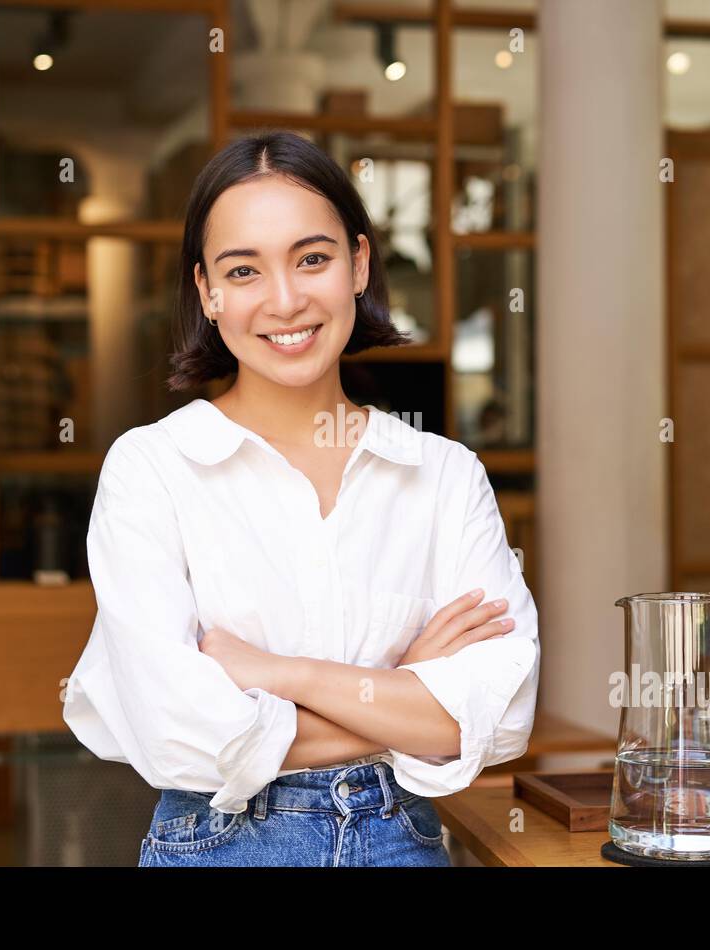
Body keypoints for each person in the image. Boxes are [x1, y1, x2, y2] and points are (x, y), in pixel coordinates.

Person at [62, 130, 540, 867]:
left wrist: (278, 675)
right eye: (244, 270)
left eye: (311, 258)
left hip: (401, 844)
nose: (285, 301)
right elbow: (178, 732)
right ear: (207, 292)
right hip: (219, 846)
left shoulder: (443, 474)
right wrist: (401, 692)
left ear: (358, 263)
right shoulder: (153, 469)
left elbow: (500, 716)